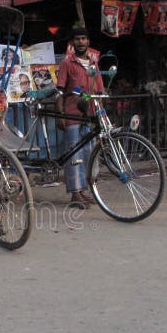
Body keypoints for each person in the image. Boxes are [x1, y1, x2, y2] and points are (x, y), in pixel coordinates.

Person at [55, 27, 104, 209]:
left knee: (89, 155)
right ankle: (75, 194)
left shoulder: (93, 64)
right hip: (72, 114)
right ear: (72, 43)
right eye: (77, 39)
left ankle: (84, 191)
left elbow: (99, 91)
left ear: (88, 41)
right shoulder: (67, 63)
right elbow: (59, 91)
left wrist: (101, 113)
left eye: (84, 38)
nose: (81, 42)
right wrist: (60, 114)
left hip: (90, 115)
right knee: (74, 156)